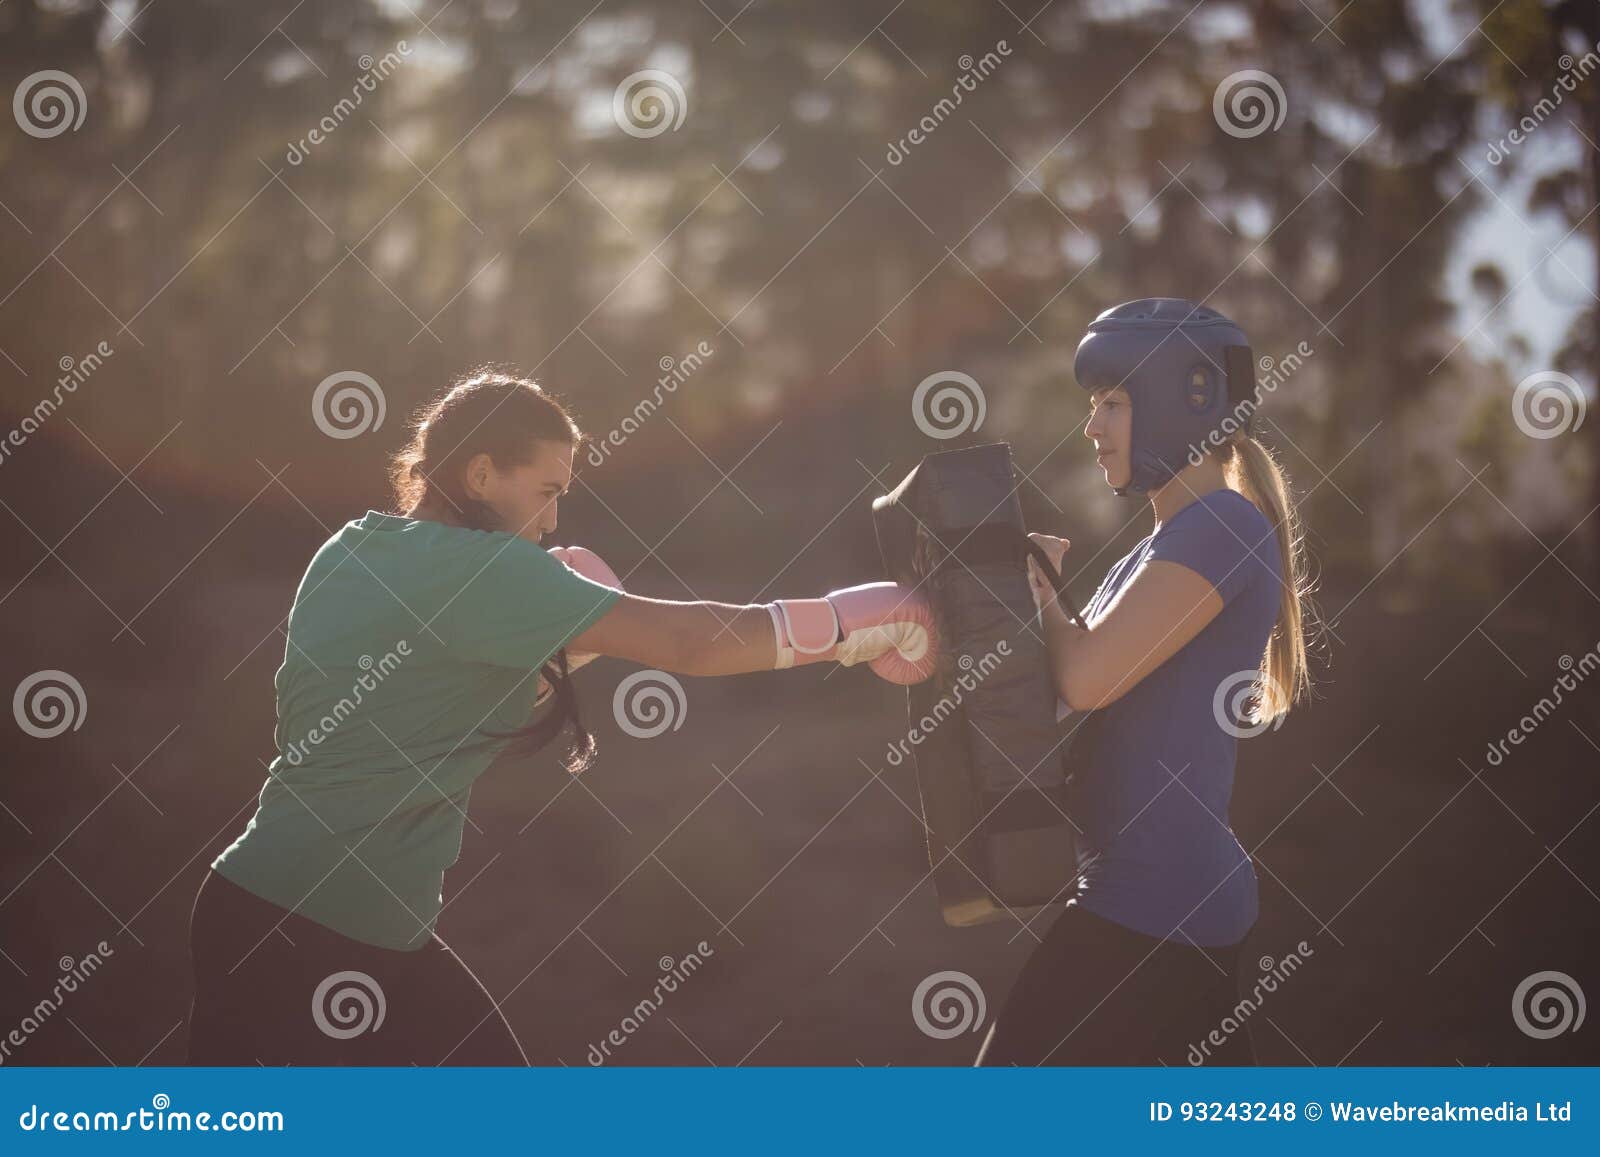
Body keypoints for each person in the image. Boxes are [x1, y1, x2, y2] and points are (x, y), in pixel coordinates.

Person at [185, 368, 938, 1066]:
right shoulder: (483, 569)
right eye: (546, 490)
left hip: (268, 911)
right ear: (480, 473)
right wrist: (853, 620)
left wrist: (561, 649)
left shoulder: (350, 549)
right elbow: (694, 642)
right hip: (317, 936)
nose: (552, 521)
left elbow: (427, 717)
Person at [975, 299, 1316, 1066]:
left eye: (1113, 403)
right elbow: (1064, 692)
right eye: (1093, 405)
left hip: (1158, 906)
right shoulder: (1161, 544)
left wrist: (1038, 589)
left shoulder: (1222, 525)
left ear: (1185, 401)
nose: (1092, 427)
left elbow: (1089, 677)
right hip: (1145, 900)